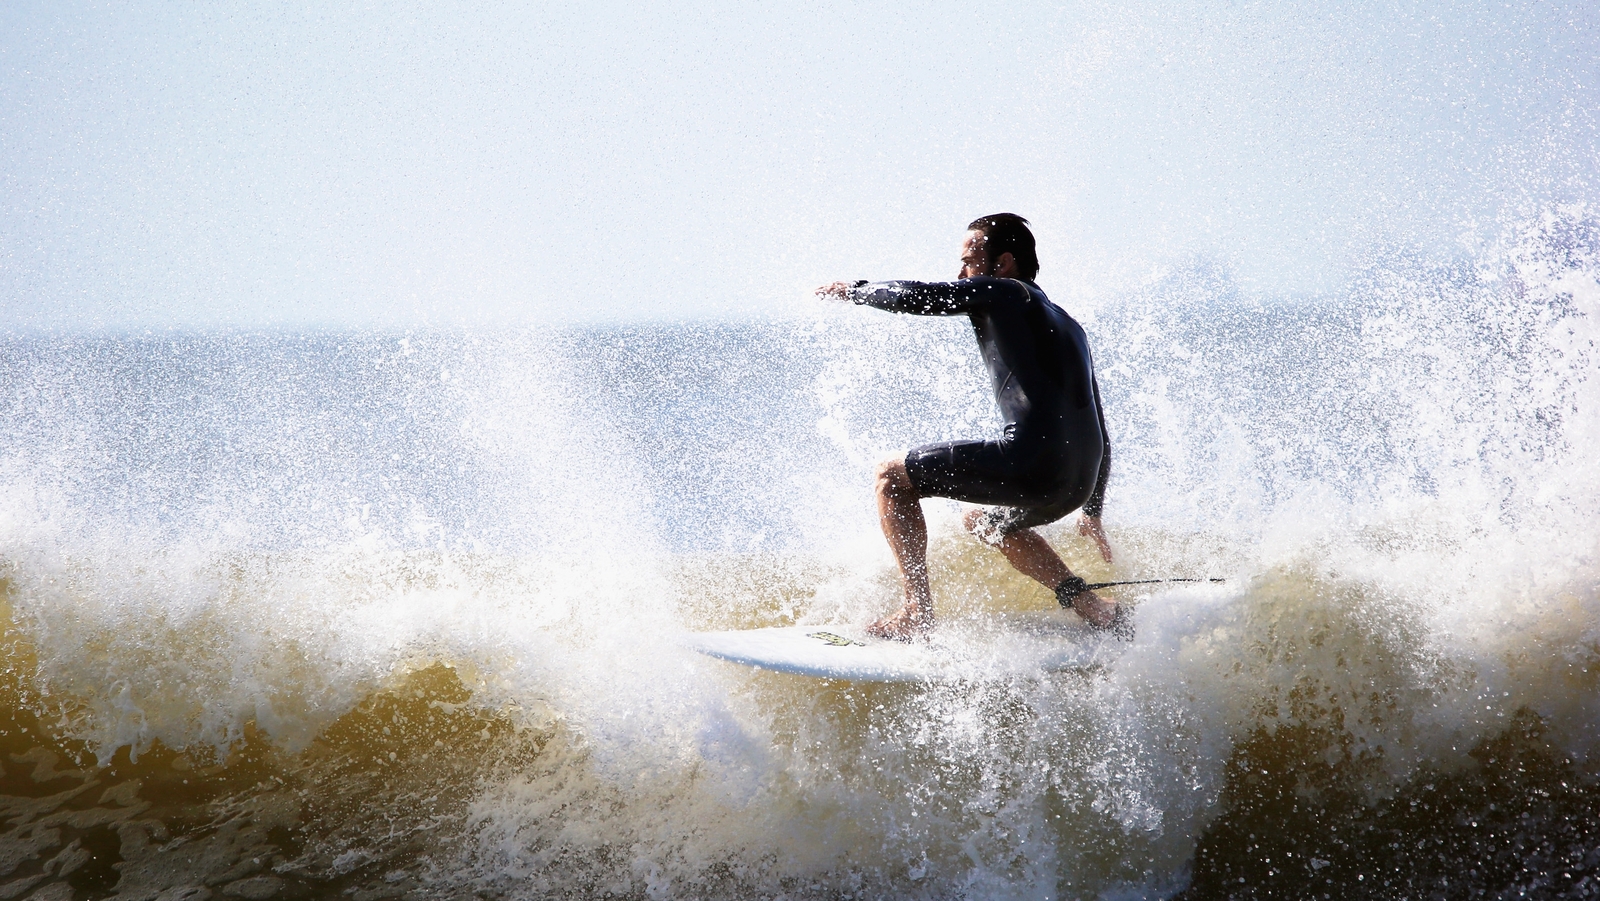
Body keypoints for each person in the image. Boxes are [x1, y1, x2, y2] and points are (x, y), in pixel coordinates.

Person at [817, 214, 1121, 641]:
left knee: (890, 476)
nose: (961, 274)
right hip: (1075, 482)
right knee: (982, 519)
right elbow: (1101, 431)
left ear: (1005, 263)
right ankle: (1091, 606)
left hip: (1033, 462)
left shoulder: (1007, 292)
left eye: (970, 261)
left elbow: (921, 296)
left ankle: (915, 612)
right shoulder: (1071, 327)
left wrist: (855, 291)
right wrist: (1091, 509)